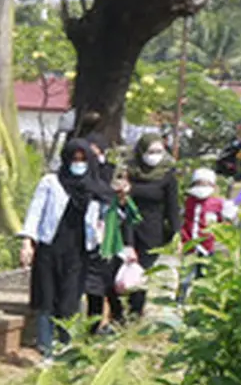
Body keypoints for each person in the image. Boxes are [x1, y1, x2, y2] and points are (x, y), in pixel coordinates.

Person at [19, 139, 112, 355]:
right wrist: (27, 242)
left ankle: (65, 346)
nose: (78, 164)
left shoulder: (97, 189)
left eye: (82, 160)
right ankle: (45, 348)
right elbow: (35, 212)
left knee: (70, 300)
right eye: (74, 159)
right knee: (46, 299)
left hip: (78, 252)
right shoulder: (51, 182)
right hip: (49, 248)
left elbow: (111, 216)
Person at [123, 136, 177, 319]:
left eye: (159, 152)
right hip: (128, 225)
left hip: (153, 230)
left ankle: (135, 312)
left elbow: (172, 206)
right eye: (150, 152)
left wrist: (176, 233)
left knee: (142, 270)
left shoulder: (167, 174)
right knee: (123, 267)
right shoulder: (130, 171)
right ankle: (116, 311)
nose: (154, 156)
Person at [84, 165, 141, 334]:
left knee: (111, 290)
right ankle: (92, 330)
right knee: (94, 292)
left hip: (113, 251)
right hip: (93, 250)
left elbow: (130, 222)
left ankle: (118, 322)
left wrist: (129, 247)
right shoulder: (89, 197)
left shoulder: (119, 201)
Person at [177, 167, 228, 304]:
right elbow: (183, 220)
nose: (202, 187)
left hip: (208, 245)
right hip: (189, 243)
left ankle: (202, 302)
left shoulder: (218, 203)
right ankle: (181, 300)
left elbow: (223, 223)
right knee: (186, 274)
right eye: (199, 183)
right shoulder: (189, 202)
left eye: (206, 184)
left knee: (204, 274)